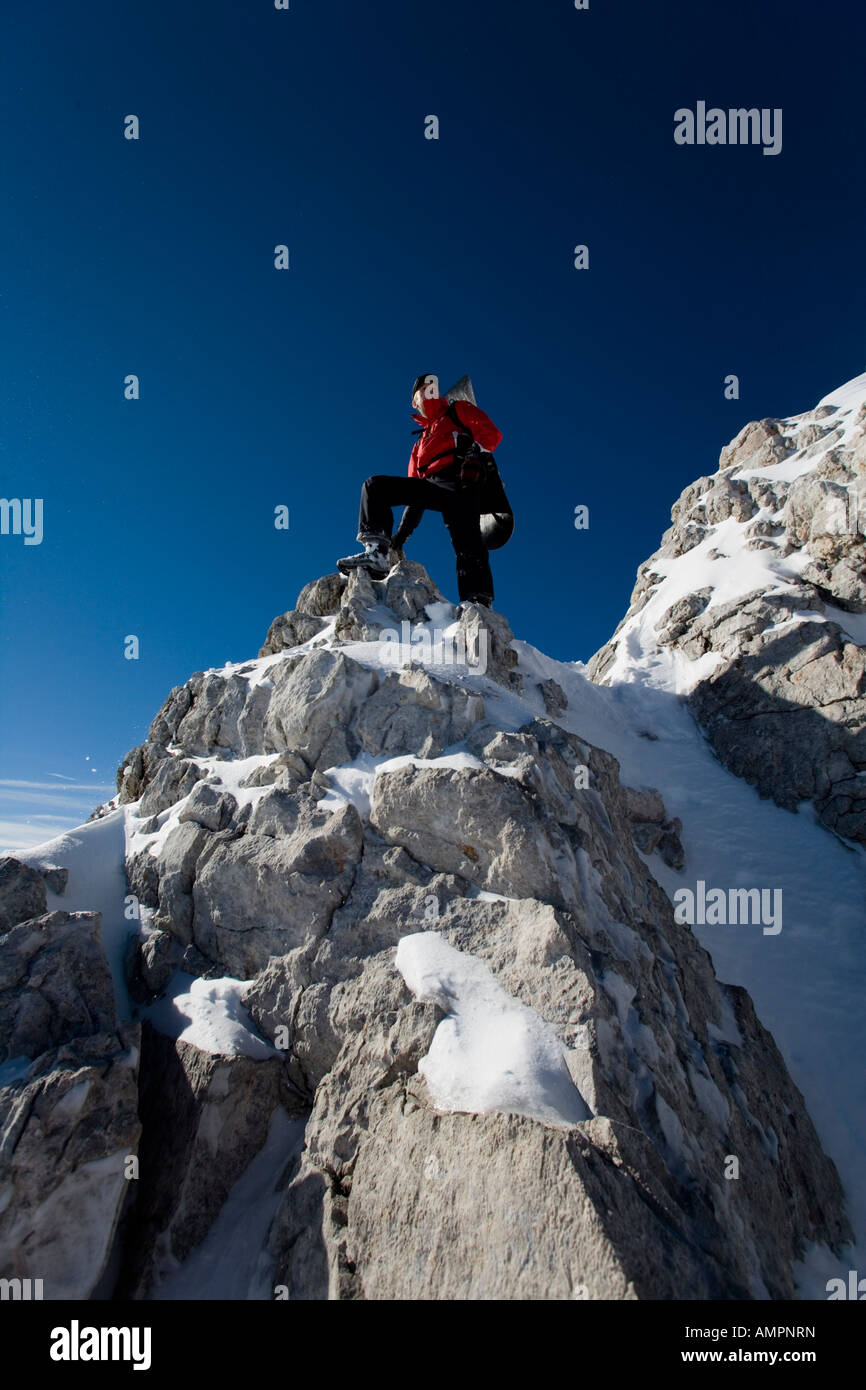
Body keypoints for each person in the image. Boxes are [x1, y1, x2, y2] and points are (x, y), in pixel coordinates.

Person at [337, 374, 503, 607]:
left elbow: (491, 434)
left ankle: (477, 601)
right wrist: (400, 537)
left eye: (426, 390)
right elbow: (414, 496)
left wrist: (475, 453)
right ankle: (377, 551)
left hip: (463, 478)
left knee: (467, 542)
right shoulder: (421, 442)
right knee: (375, 487)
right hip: (432, 485)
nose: (423, 399)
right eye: (418, 396)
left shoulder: (458, 411)